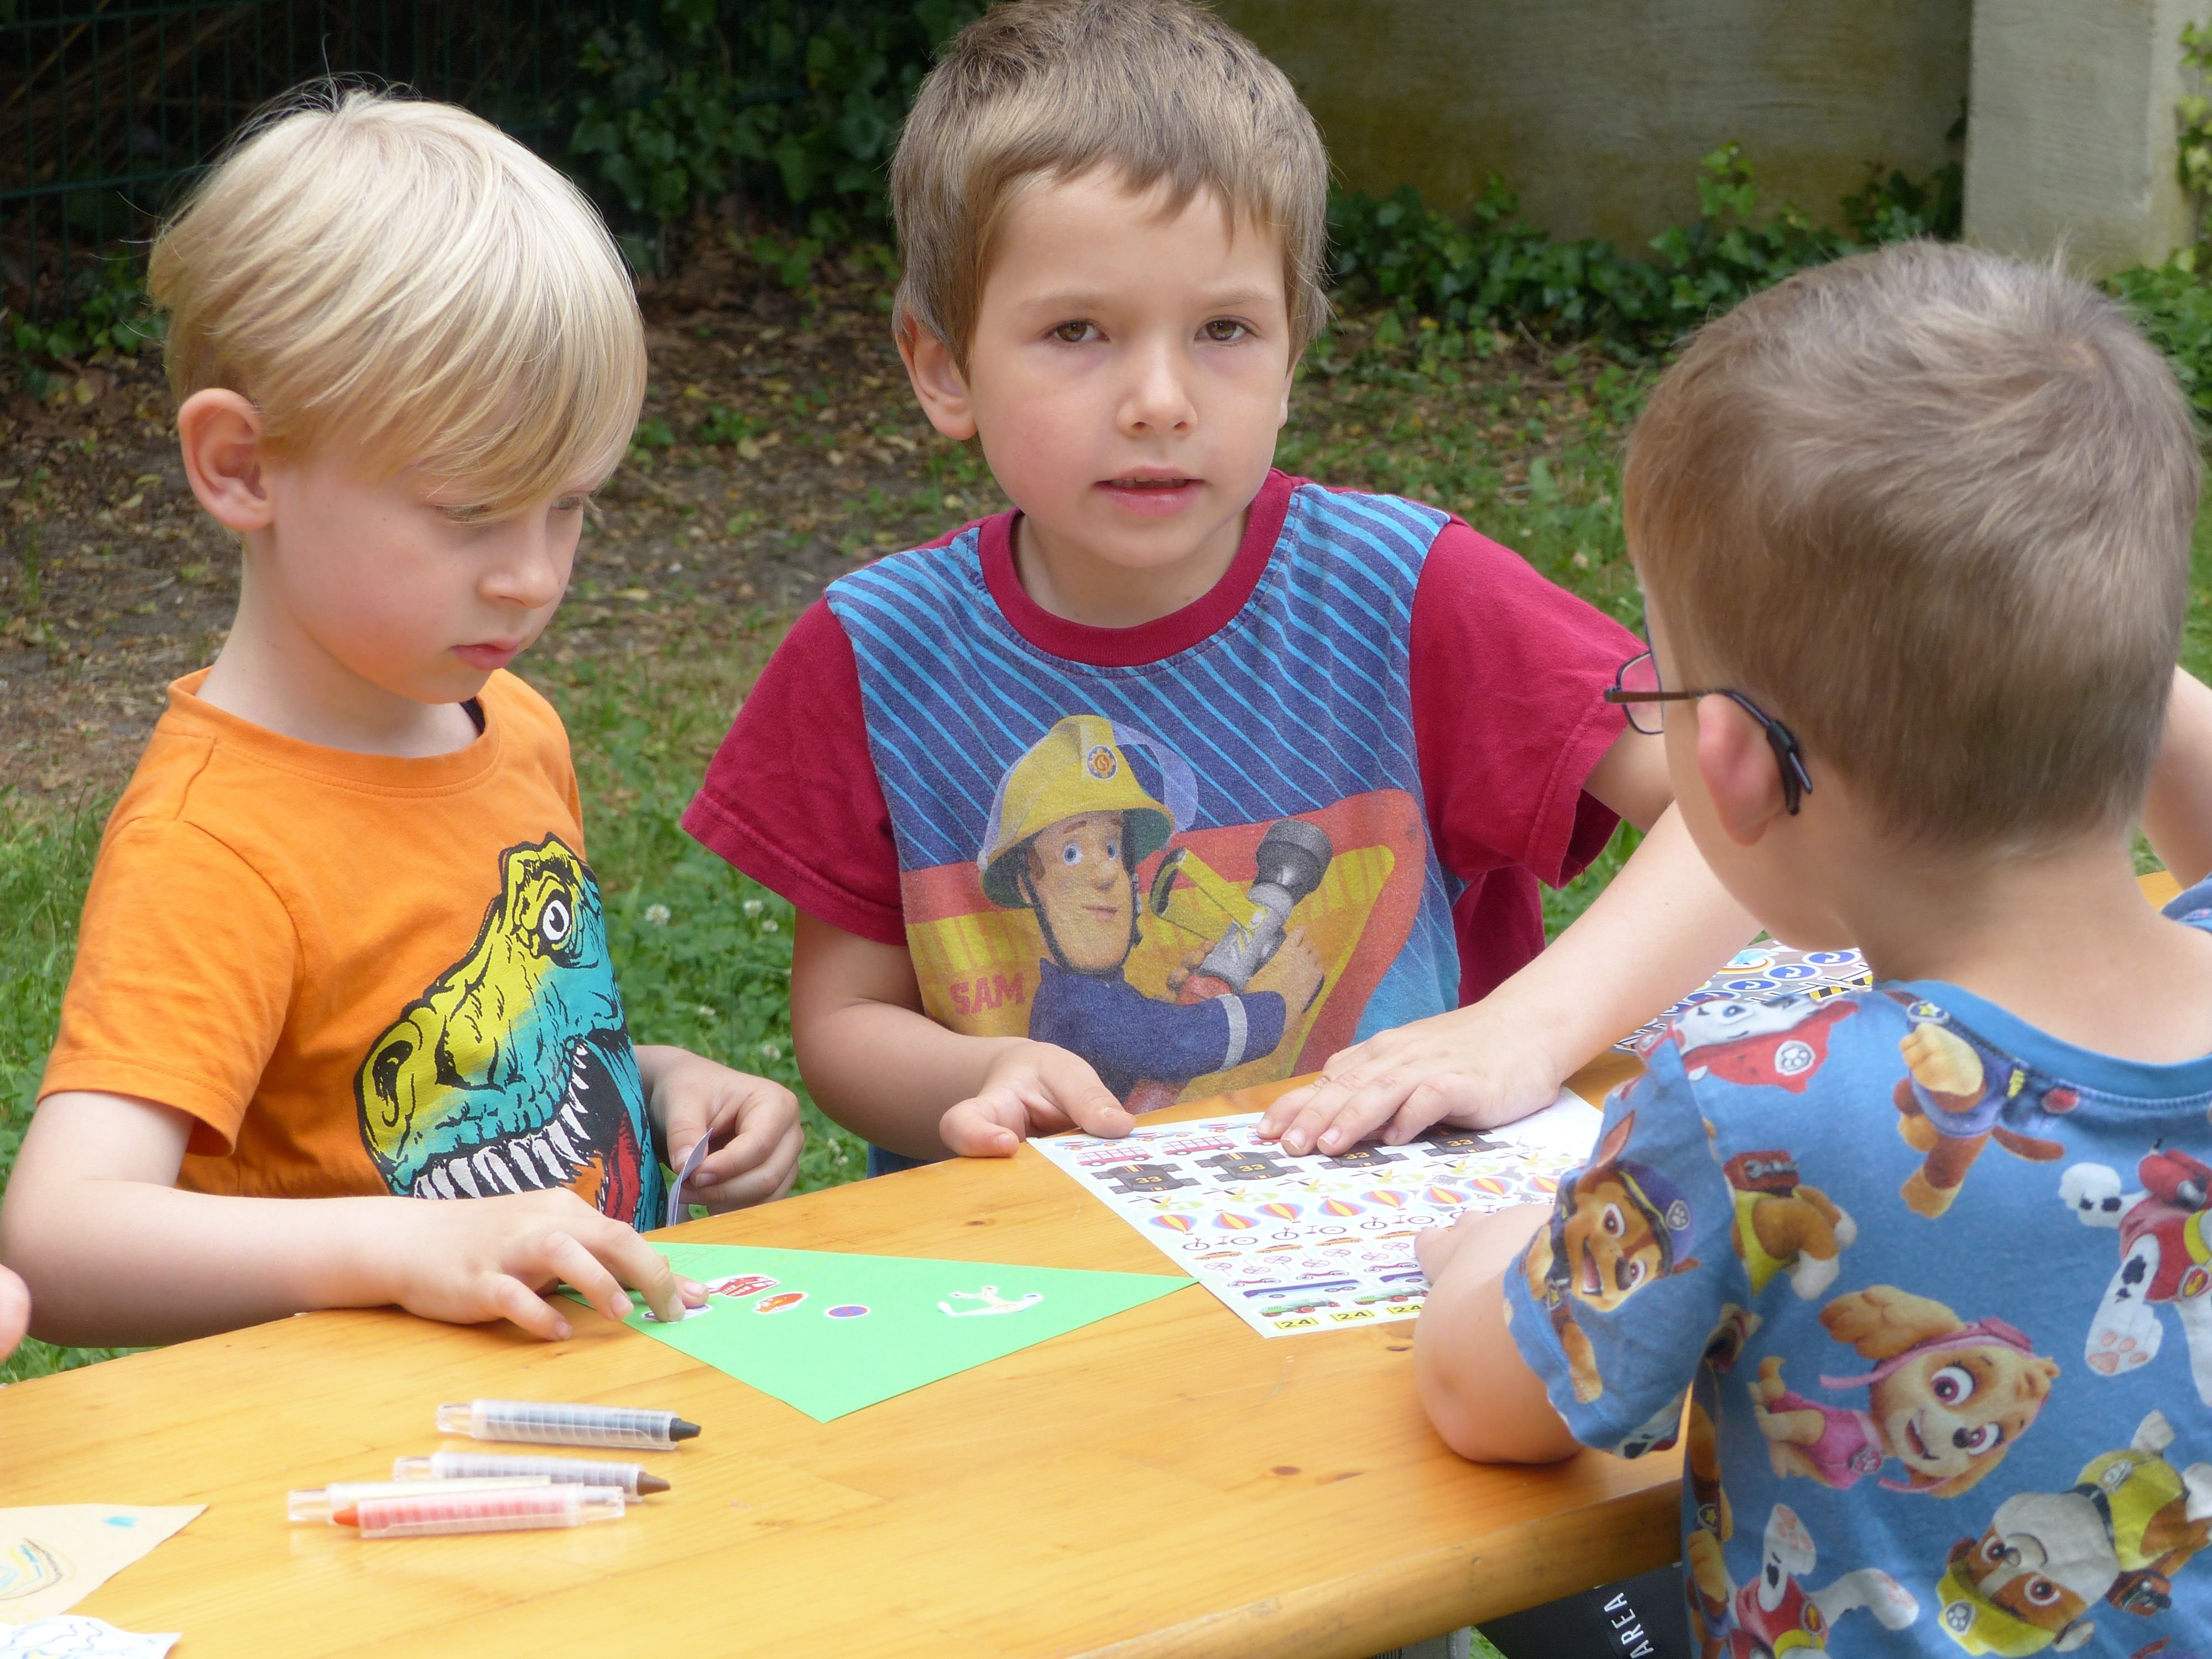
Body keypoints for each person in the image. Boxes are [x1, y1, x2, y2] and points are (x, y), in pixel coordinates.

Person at [684, 0, 1762, 1175]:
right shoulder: (872, 654)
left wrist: (1526, 1027)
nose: (1159, 398)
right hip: (1036, 1290)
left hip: (1401, 1268)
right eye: (1079, 330)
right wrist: (976, 1075)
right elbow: (843, 1023)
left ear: (1294, 351)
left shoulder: (1408, 594)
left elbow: (1743, 807)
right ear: (943, 365)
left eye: (1224, 330)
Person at [1413, 242, 2212, 1655]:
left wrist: (1476, 1263)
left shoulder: (1751, 1116)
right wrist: (2064, 643)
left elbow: (1492, 1406)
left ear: (1726, 764)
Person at [0, 88, 802, 1350]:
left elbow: (492, 1075)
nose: (531, 575)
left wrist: (659, 1089)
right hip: (362, 1472)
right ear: (244, 468)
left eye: (570, 506)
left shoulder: (512, 725)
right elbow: (64, 1235)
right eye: (471, 509)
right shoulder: (217, 847)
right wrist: (405, 1247)